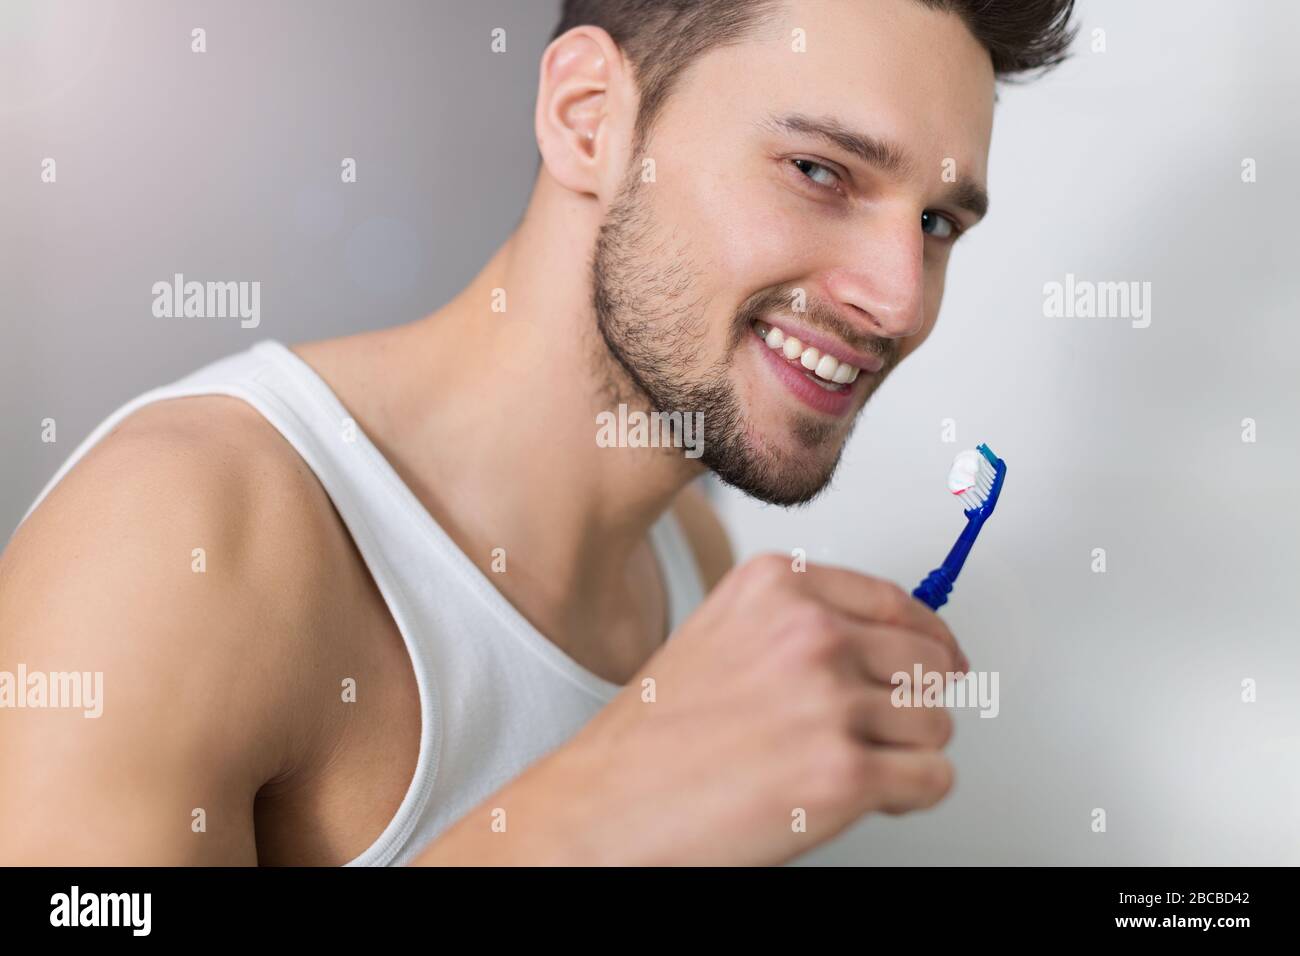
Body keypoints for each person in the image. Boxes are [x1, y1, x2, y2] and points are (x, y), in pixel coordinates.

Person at [0, 0, 1074, 865]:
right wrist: (602, 808)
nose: (899, 299)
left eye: (936, 223)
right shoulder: (186, 535)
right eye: (820, 172)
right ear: (589, 117)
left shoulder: (690, 571)